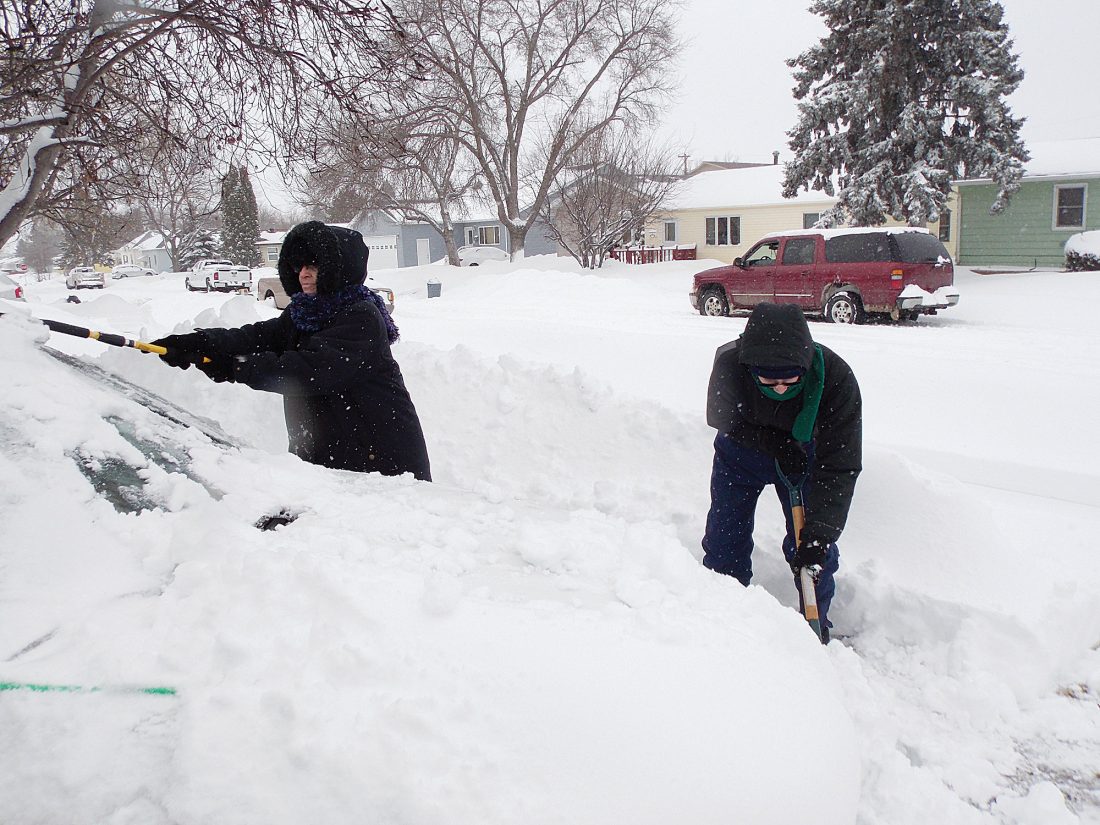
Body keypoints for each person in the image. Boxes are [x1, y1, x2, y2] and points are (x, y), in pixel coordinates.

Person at [152, 221, 431, 482]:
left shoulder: (360, 316)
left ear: (339, 268)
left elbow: (311, 370)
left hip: (380, 462)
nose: (303, 274)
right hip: (330, 458)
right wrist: (202, 343)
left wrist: (235, 366)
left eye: (314, 265)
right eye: (299, 266)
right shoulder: (306, 312)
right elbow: (259, 337)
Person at [702, 303, 861, 642]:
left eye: (790, 380)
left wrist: (821, 533)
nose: (779, 388)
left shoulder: (836, 378)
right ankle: (722, 619)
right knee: (726, 535)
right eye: (768, 380)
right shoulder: (730, 362)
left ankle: (814, 628)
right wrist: (773, 442)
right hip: (741, 451)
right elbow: (721, 416)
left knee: (812, 552)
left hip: (805, 457)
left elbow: (840, 464)